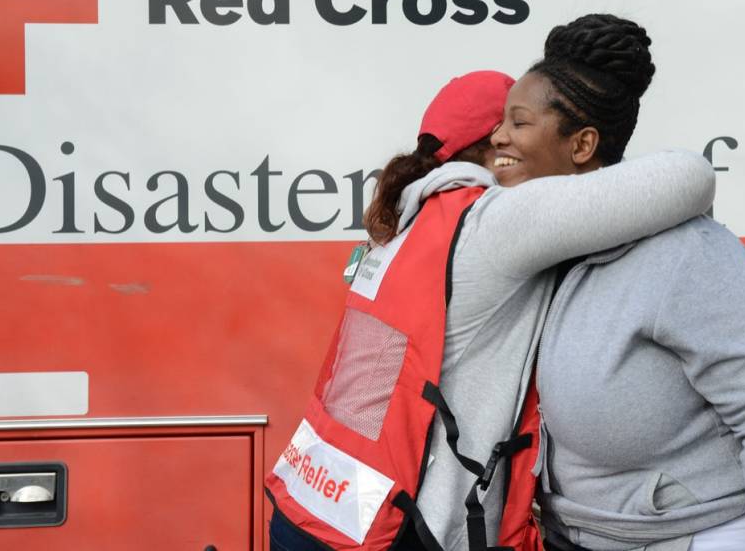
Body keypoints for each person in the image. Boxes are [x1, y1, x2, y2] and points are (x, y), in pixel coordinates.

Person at [267, 68, 715, 551]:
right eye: (517, 127)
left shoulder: (406, 223)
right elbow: (690, 178)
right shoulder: (490, 219)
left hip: (313, 505)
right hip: (399, 531)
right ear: (493, 145)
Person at [490, 14, 745, 550]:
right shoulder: (537, 253)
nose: (498, 137)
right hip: (572, 536)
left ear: (581, 146)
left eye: (518, 122)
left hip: (695, 537)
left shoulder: (684, 253)